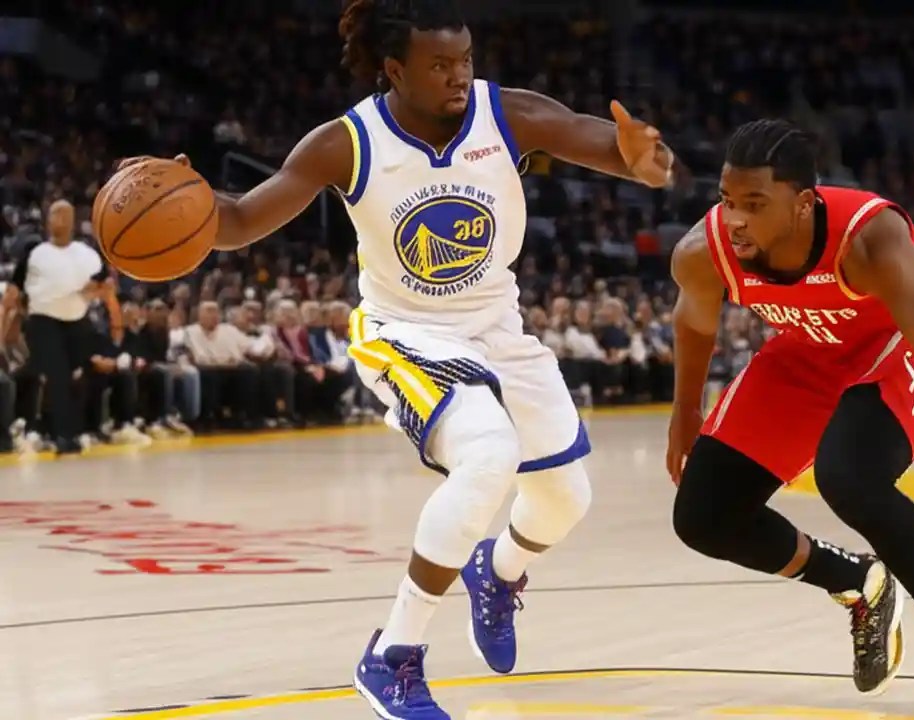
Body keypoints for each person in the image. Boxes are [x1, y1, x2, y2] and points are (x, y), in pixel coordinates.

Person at [115, 1, 672, 718]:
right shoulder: (345, 143)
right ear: (393, 69)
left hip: (498, 325)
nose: (459, 77)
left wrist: (646, 161)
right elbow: (245, 220)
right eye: (439, 66)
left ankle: (496, 572)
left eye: (465, 60)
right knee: (487, 456)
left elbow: (618, 151)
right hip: (404, 332)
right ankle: (392, 656)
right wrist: (189, 200)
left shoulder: (508, 115)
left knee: (568, 499)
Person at [666, 119, 914, 720]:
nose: (735, 219)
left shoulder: (869, 242)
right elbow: (694, 322)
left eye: (755, 204)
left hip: (905, 340)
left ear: (804, 204)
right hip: (811, 346)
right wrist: (686, 415)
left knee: (850, 476)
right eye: (728, 201)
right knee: (703, 516)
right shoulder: (705, 253)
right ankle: (859, 582)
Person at [0, 200, 119, 455]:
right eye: (55, 214)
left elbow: (106, 287)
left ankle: (63, 430)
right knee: (58, 373)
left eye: (65, 215)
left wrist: (99, 291)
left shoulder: (87, 254)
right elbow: (13, 290)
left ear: (74, 220)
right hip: (42, 320)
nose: (60, 219)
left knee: (80, 374)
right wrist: (8, 312)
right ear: (47, 220)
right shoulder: (35, 252)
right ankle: (62, 436)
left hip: (78, 322)